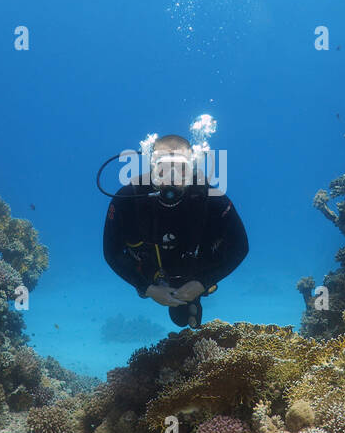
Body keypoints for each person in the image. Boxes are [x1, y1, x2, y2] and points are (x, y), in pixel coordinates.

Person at [102, 134, 248, 328]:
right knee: (179, 318)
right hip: (150, 270)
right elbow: (111, 252)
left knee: (181, 319)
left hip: (195, 267)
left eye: (180, 170)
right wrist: (147, 288)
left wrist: (203, 282)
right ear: (152, 169)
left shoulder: (212, 199)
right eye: (162, 170)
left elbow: (241, 246)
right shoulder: (127, 198)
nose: (171, 180)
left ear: (192, 170)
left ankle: (194, 293)